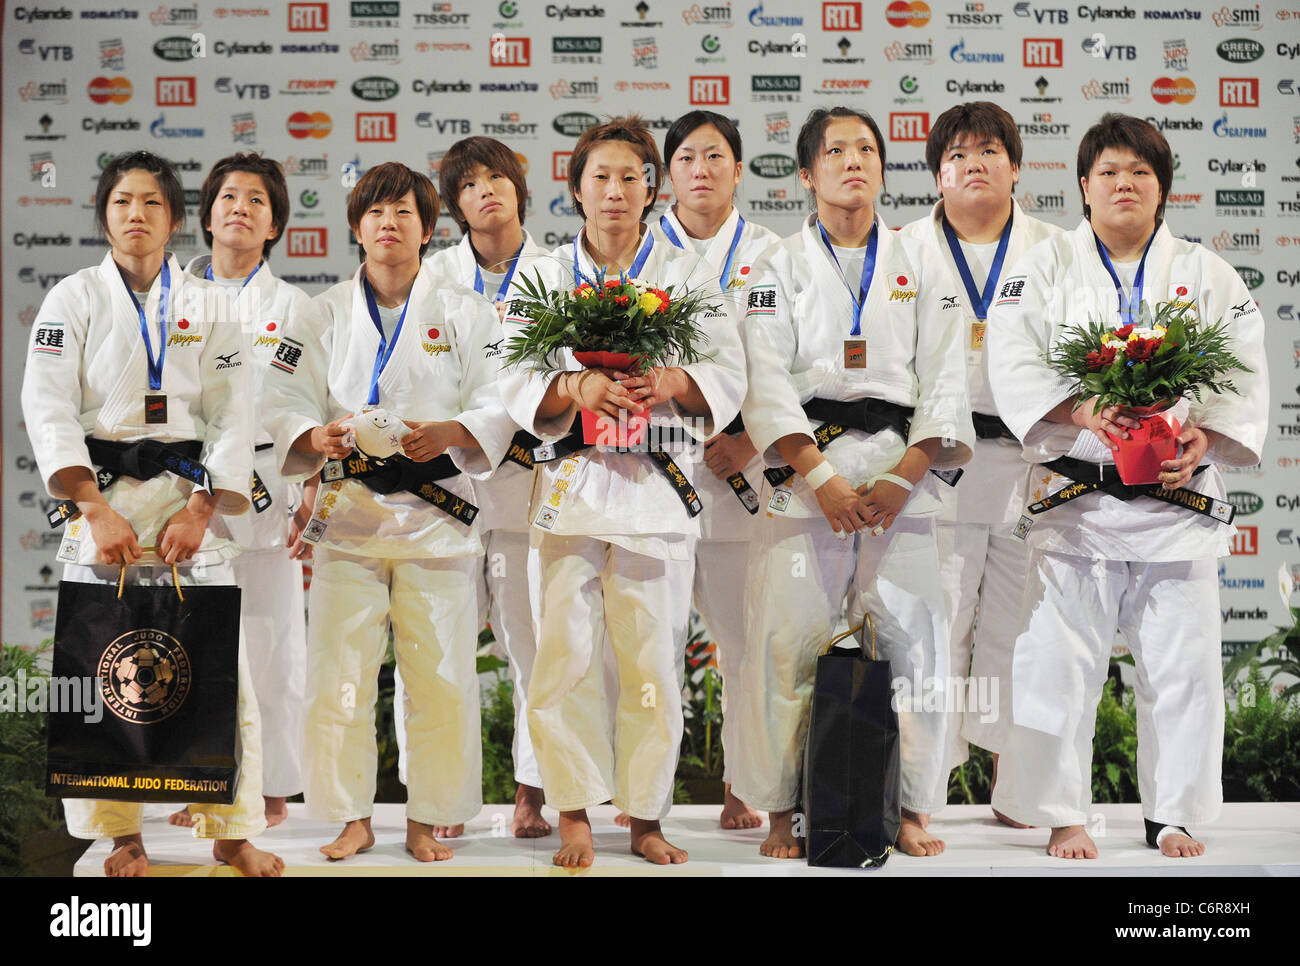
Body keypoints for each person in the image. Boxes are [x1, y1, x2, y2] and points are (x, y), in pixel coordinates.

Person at [985, 113, 1268, 859]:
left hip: (1176, 505)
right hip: (1076, 502)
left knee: (1183, 666)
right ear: (1083, 186)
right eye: (1108, 171)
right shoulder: (1040, 268)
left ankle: (1171, 812)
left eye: (1140, 172)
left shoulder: (1209, 274)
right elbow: (1011, 364)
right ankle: (1062, 812)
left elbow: (1241, 370)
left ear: (1163, 188)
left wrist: (1204, 435)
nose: (1124, 184)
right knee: (1057, 664)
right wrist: (1081, 407)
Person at [21, 150, 282, 876]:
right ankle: (120, 835)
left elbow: (236, 414)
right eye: (121, 203)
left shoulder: (215, 305)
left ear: (174, 219)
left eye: (152, 204)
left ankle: (231, 830)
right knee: (105, 664)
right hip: (100, 499)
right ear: (104, 216)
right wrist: (93, 508)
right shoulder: (71, 298)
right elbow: (46, 409)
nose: (136, 215)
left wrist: (203, 507)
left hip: (182, 502)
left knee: (219, 666)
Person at [498, 116, 746, 867]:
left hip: (657, 487)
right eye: (599, 177)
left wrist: (670, 379)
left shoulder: (686, 272)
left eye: (630, 177)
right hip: (570, 485)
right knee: (563, 657)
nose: (614, 191)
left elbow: (727, 374)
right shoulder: (540, 274)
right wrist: (576, 383)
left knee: (652, 663)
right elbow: (509, 377)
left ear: (652, 189)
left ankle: (643, 815)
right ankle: (573, 810)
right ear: (575, 190)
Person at [736, 107, 972, 859]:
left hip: (902, 469)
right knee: (789, 643)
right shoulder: (775, 265)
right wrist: (819, 477)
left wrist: (907, 475)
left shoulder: (922, 258)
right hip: (810, 475)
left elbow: (946, 375)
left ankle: (911, 807)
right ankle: (780, 809)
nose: (853, 162)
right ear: (807, 174)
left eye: (867, 149)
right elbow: (764, 380)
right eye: (835, 151)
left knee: (917, 644)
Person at [263, 162, 513, 862]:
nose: (388, 223)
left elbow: (498, 401)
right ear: (355, 225)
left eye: (404, 212)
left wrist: (455, 432)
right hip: (350, 517)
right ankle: (350, 816)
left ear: (429, 229)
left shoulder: (466, 310)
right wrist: (314, 438)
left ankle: (429, 818)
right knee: (338, 675)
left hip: (438, 517)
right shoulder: (318, 313)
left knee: (439, 678)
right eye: (375, 212)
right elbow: (281, 403)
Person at [899, 103, 1061, 826]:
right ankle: (921, 792)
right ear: (938, 172)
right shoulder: (902, 249)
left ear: (1016, 167)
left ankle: (1017, 794)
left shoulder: (1057, 250)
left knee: (1018, 628)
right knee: (938, 624)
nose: (974, 163)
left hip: (1030, 459)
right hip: (937, 462)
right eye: (958, 153)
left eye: (990, 151)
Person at [169, 152, 315, 830]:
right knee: (184, 641)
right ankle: (196, 777)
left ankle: (273, 784)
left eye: (257, 200)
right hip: (177, 486)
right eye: (228, 196)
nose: (240, 208)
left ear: (275, 223)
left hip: (260, 489)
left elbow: (301, 404)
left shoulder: (292, 307)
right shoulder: (167, 296)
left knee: (272, 643)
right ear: (204, 214)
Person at [655, 110, 780, 832]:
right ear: (668, 175)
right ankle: (642, 798)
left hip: (740, 472)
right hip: (650, 469)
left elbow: (784, 360)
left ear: (738, 170)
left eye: (715, 156)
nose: (701, 169)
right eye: (687, 158)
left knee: (743, 643)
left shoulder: (773, 254)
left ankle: (744, 783)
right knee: (649, 645)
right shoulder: (635, 252)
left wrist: (753, 439)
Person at [427, 136, 552, 839]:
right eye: (469, 184)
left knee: (534, 650)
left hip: (527, 484)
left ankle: (533, 791)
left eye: (496, 177)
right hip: (442, 488)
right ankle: (440, 800)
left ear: (518, 187)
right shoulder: (431, 274)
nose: (486, 191)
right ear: (455, 204)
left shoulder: (557, 271)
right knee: (440, 655)